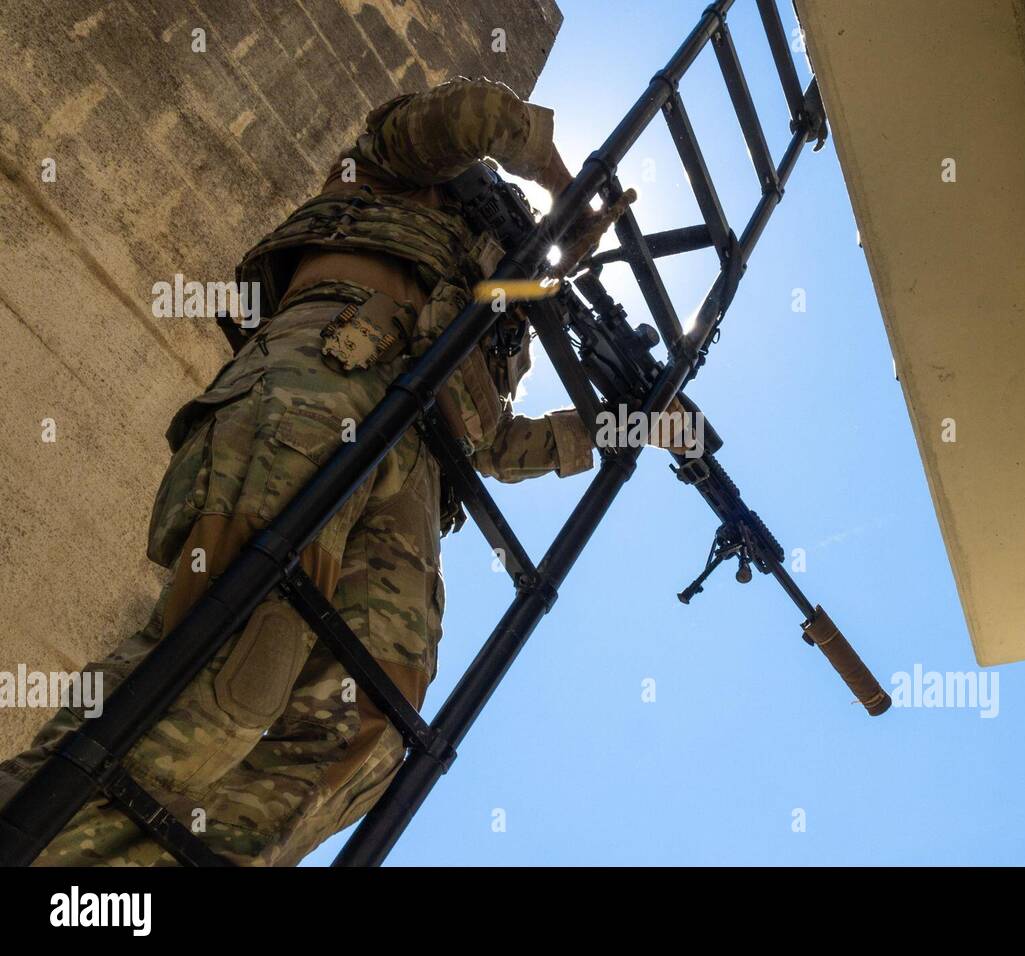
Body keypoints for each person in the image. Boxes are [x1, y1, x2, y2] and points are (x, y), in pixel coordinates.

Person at [0, 76, 632, 865]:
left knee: (364, 733)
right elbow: (475, 116)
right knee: (232, 671)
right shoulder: (392, 171)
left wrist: (627, 424)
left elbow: (497, 446)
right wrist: (562, 183)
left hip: (415, 478)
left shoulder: (486, 313)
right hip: (321, 390)